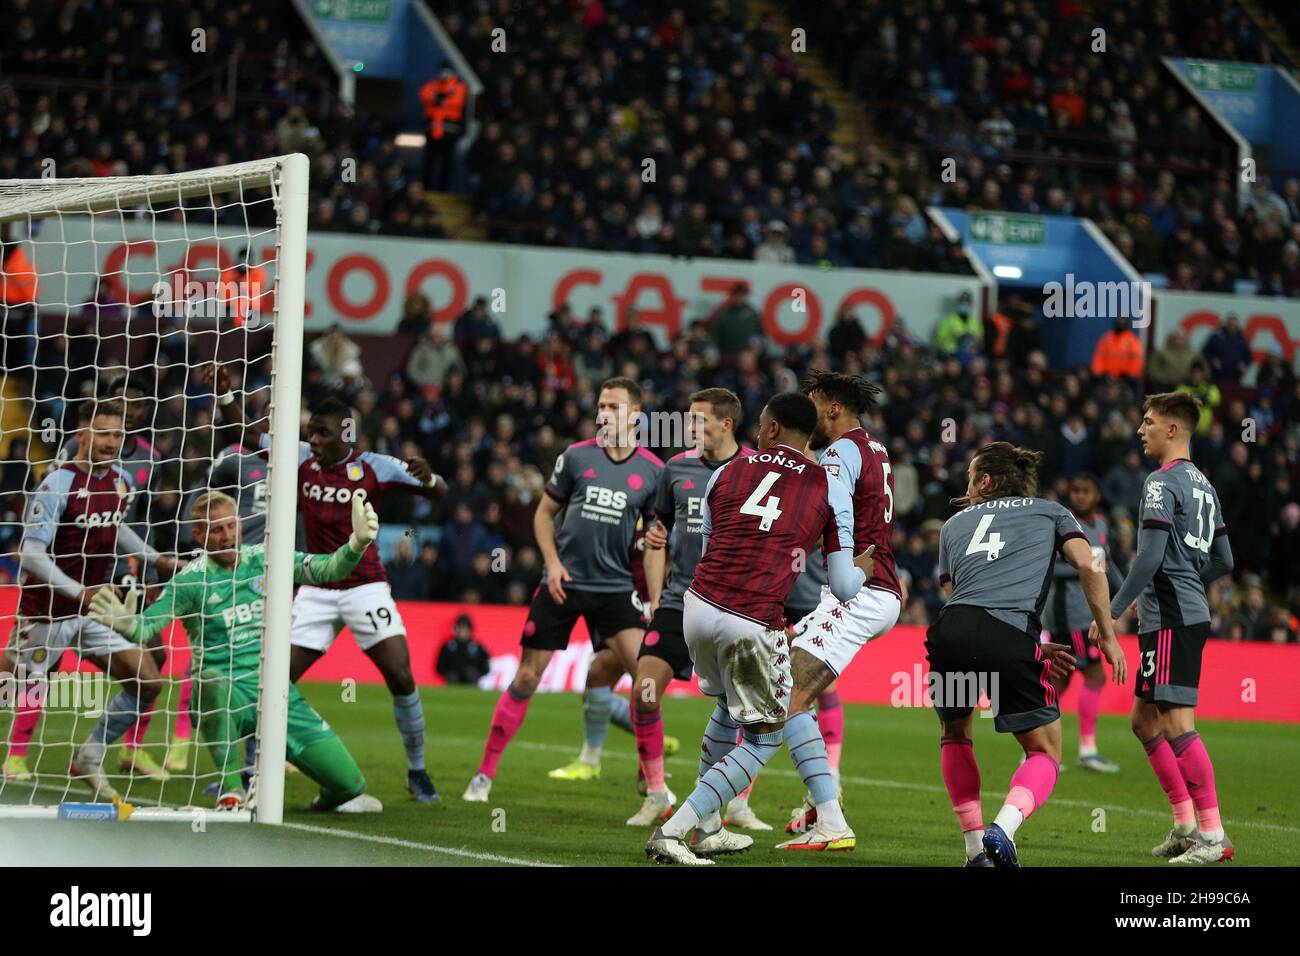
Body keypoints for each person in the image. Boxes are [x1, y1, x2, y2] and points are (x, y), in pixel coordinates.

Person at [644, 392, 875, 865]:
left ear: (770, 430)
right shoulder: (827, 485)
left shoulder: (727, 471)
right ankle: (674, 830)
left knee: (730, 709)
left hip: (697, 606)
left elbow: (710, 545)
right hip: (750, 619)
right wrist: (866, 566)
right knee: (767, 735)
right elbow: (845, 586)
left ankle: (710, 830)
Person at [208, 365, 447, 803]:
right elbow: (243, 434)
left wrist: (430, 477)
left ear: (347, 435)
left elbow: (438, 491)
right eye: (310, 432)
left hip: (365, 585)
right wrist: (226, 396)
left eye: (321, 433)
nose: (312, 440)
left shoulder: (377, 467)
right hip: (316, 584)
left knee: (400, 674)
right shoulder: (299, 457)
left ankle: (417, 772)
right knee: (272, 680)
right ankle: (249, 769)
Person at [89, 491, 383, 812]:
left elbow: (329, 570)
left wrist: (357, 544)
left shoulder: (266, 559)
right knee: (212, 682)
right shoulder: (191, 581)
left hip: (275, 694)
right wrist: (126, 624)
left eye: (231, 526)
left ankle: (324, 802)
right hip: (223, 696)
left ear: (241, 525)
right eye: (216, 530)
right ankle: (231, 790)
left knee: (351, 785)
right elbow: (145, 627)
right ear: (198, 536)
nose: (227, 536)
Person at [463, 378, 663, 802]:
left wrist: (656, 598)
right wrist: (552, 564)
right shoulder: (575, 457)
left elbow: (651, 543)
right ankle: (483, 775)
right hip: (563, 583)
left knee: (646, 683)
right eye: (601, 406)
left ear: (636, 416)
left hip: (614, 589)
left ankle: (653, 785)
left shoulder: (653, 471)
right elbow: (543, 515)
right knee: (527, 676)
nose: (604, 413)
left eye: (614, 406)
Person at [929, 443, 1125, 867]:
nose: (966, 484)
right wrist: (1106, 634)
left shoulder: (953, 525)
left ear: (985, 481)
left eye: (969, 475)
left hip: (949, 631)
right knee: (1045, 751)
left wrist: (1025, 645)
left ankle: (974, 851)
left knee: (955, 734)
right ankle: (1004, 829)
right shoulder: (1050, 511)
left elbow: (960, 597)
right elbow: (1091, 565)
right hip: (1008, 633)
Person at [1, 399, 185, 798]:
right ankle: (15, 756)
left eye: (117, 435)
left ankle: (90, 753)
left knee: (148, 680)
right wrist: (77, 590)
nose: (110, 442)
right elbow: (31, 554)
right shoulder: (57, 483)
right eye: (102, 433)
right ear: (82, 435)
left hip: (93, 611)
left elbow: (116, 528)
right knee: (17, 684)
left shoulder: (121, 482)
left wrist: (158, 558)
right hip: (46, 611)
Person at [1094, 391, 1236, 864]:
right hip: (1177, 614)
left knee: (1177, 722)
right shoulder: (1205, 486)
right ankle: (1185, 824)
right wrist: (1191, 579)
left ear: (1172, 430)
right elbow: (1225, 559)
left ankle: (1213, 837)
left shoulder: (1160, 482)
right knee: (1143, 720)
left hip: (1173, 616)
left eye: (1148, 422)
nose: (1141, 430)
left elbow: (1150, 557)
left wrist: (1111, 611)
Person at [626, 388, 770, 831]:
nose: (690, 428)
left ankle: (737, 803)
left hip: (733, 606)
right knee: (644, 690)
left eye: (698, 420)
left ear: (726, 423)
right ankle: (655, 792)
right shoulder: (675, 469)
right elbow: (657, 536)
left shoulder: (755, 471)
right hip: (678, 601)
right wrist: (653, 597)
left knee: (742, 709)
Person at [778, 369, 903, 848]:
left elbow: (831, 519)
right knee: (789, 688)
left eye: (813, 402)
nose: (807, 412)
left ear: (832, 407)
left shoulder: (840, 453)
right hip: (871, 589)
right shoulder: (875, 448)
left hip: (859, 592)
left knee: (788, 693)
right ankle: (818, 805)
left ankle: (831, 818)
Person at [1043, 473, 1126, 772]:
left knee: (1057, 682)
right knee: (1094, 676)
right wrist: (1091, 563)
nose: (1079, 496)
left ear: (1097, 495)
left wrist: (1127, 591)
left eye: (1085, 491)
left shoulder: (1101, 526)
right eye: (1076, 490)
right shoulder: (1064, 523)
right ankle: (1086, 750)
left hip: (1086, 615)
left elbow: (1108, 565)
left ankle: (1039, 748)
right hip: (1070, 615)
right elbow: (1054, 567)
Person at [419, 64, 468, 191]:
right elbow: (424, 94)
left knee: (447, 162)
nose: (444, 74)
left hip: (450, 132)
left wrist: (442, 100)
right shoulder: (432, 85)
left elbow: (458, 101)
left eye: (447, 71)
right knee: (429, 162)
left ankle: (443, 189)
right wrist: (437, 98)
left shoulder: (459, 86)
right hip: (432, 131)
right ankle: (426, 188)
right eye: (442, 71)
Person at [436, 614, 490, 685]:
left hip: (471, 682)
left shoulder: (478, 647)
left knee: (471, 674)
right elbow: (439, 667)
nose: (463, 631)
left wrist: (476, 674)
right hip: (453, 681)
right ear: (455, 629)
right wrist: (449, 673)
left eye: (465, 628)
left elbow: (486, 667)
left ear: (470, 630)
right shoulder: (448, 647)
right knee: (452, 677)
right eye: (460, 628)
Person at [1090, 315, 1143, 380]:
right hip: (1106, 378)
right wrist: (1100, 374)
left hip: (1125, 379)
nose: (1120, 323)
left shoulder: (1132, 341)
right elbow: (1098, 358)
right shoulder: (1106, 338)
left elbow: (1137, 361)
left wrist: (1129, 375)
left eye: (1122, 321)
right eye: (1119, 321)